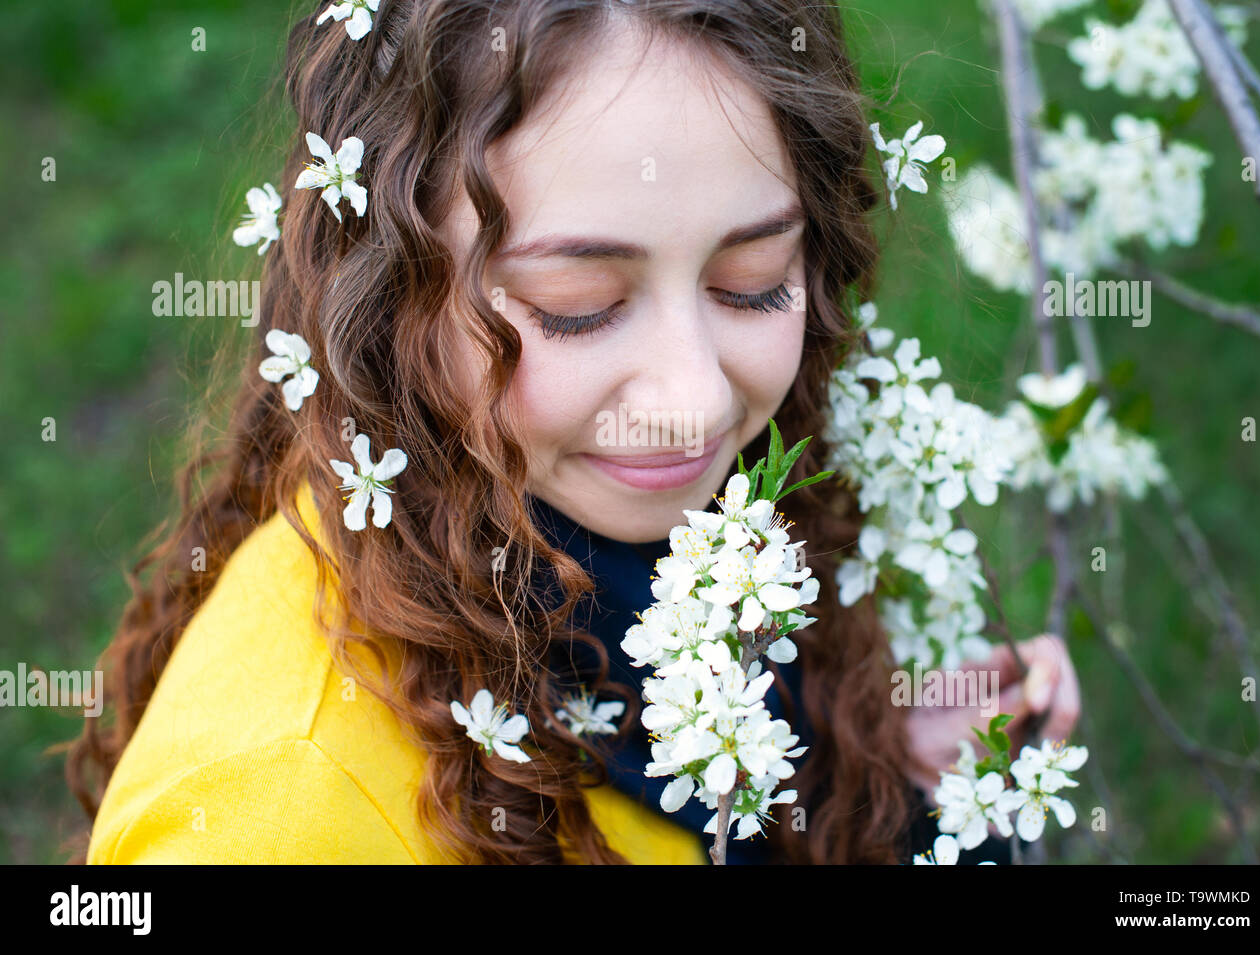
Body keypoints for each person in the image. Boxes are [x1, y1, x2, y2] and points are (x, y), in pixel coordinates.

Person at [66, 0, 1079, 865]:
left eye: (751, 281)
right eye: (579, 304)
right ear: (388, 293)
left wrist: (866, 775)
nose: (690, 397)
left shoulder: (664, 534)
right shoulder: (276, 812)